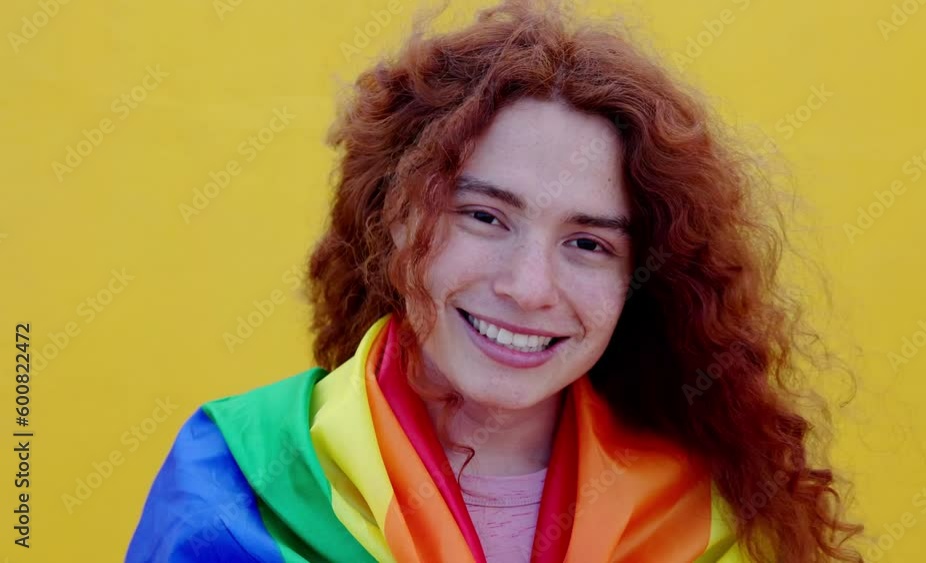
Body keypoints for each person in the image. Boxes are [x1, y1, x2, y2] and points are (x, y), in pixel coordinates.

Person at [126, 0, 864, 561]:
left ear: (639, 278)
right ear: (397, 217)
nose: (529, 286)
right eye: (483, 216)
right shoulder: (238, 481)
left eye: (587, 242)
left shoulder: (704, 518)